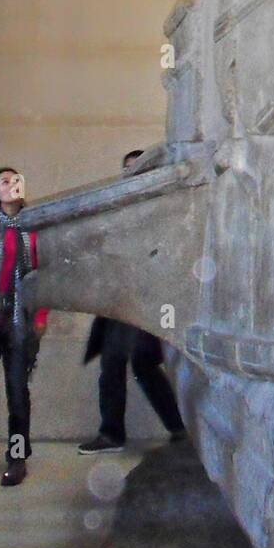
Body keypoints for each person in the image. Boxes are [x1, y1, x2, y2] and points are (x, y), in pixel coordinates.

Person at [77, 149, 185, 454]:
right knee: (117, 362)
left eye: (136, 169)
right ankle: (117, 433)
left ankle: (174, 427)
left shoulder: (163, 208)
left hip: (150, 300)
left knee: (141, 361)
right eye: (126, 170)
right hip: (120, 301)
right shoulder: (117, 211)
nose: (130, 174)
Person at [0, 167, 48, 488]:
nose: (12, 184)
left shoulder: (35, 229)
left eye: (18, 179)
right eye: (5, 181)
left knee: (18, 395)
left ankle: (17, 458)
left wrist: (41, 318)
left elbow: (42, 278)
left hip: (21, 322)